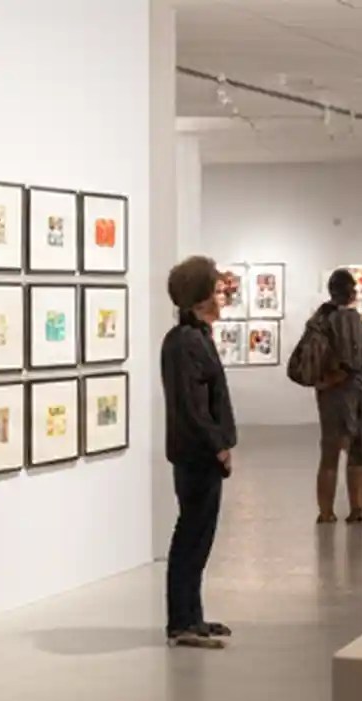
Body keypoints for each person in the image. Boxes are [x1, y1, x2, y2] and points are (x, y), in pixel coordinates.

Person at [161, 256, 237, 649]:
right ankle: (182, 622)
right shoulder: (186, 342)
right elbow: (194, 407)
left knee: (197, 536)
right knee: (192, 535)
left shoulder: (194, 337)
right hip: (197, 455)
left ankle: (192, 617)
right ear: (199, 297)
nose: (223, 293)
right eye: (216, 288)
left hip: (198, 454)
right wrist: (218, 446)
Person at [312, 269, 362, 524]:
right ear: (352, 292)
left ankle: (326, 512)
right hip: (355, 394)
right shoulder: (357, 323)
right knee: (357, 452)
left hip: (328, 393)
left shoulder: (320, 320)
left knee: (329, 454)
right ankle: (357, 508)